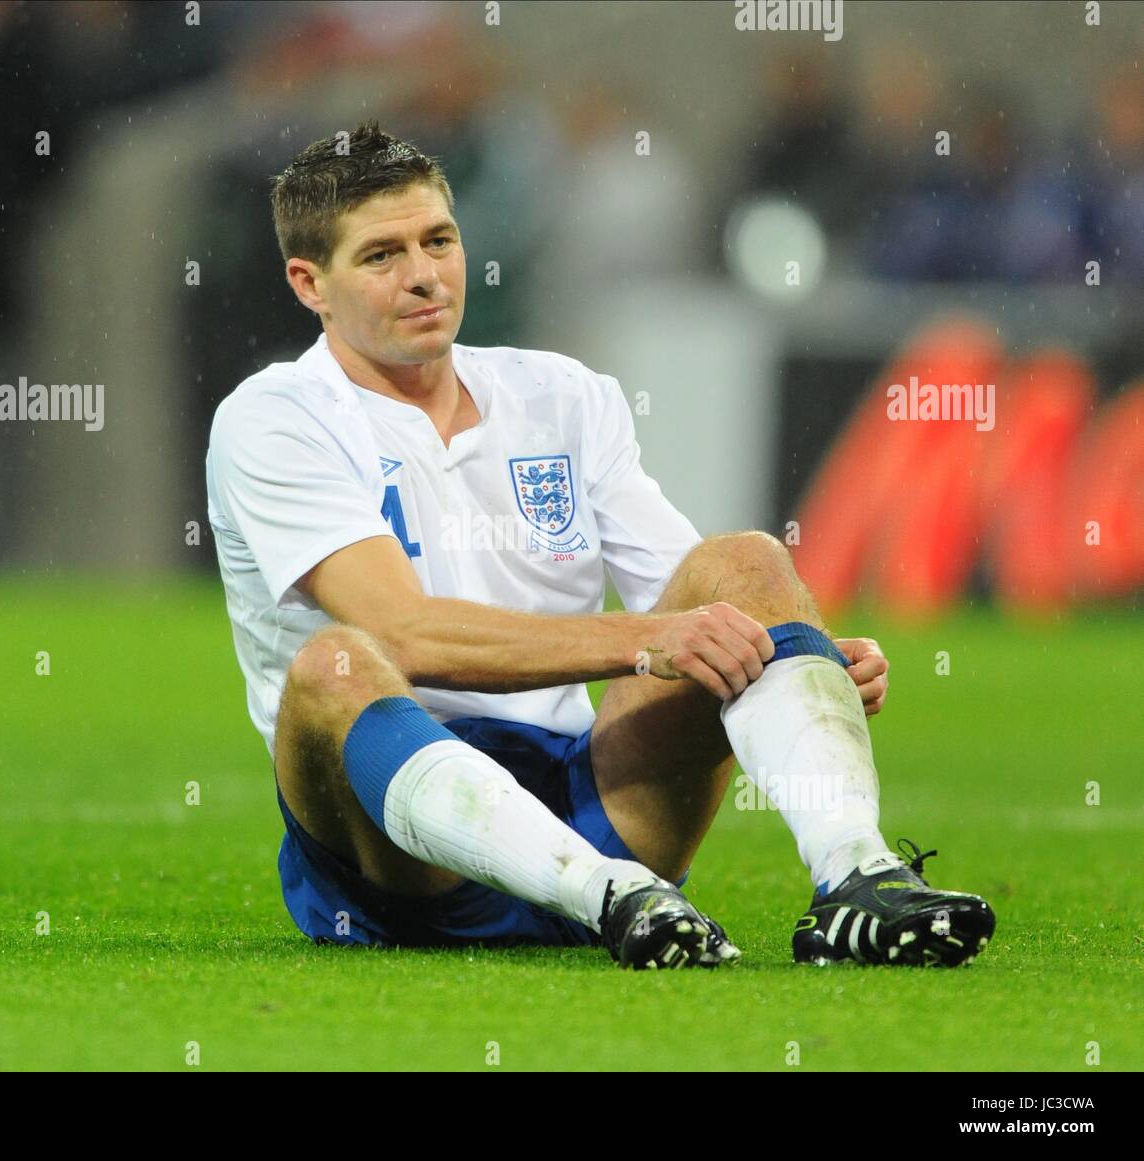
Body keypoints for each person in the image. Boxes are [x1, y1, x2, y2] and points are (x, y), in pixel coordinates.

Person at [205, 121, 995, 969]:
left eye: (439, 240)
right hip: (398, 856)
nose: (424, 275)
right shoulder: (276, 416)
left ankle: (857, 878)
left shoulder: (562, 394)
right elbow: (402, 634)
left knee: (749, 563)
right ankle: (605, 896)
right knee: (334, 666)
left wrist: (804, 660)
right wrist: (646, 639)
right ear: (308, 283)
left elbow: (707, 604)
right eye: (381, 255)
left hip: (592, 794)